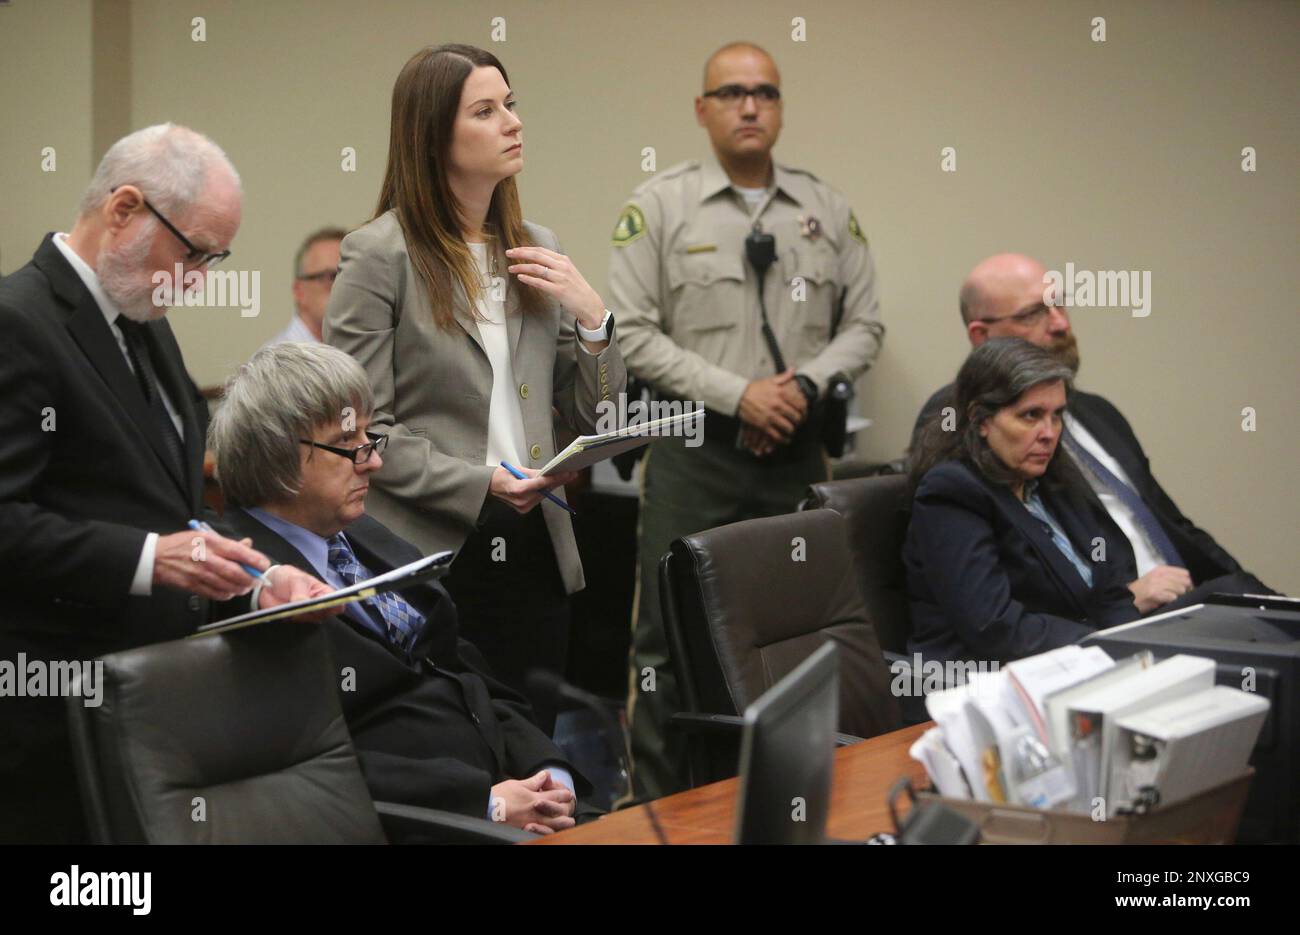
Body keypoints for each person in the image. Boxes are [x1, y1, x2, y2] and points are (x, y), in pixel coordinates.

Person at [0, 124, 329, 843]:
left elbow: (171, 509)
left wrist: (256, 579)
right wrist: (152, 559)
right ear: (122, 209)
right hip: (50, 714)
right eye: (193, 252)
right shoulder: (16, 320)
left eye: (216, 259)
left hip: (151, 707)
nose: (199, 278)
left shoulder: (144, 323)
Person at [608, 42, 885, 799]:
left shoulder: (825, 211)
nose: (750, 105)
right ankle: (659, 807)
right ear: (702, 110)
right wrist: (740, 396)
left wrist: (798, 387)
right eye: (731, 93)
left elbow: (864, 326)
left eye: (764, 91)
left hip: (795, 455)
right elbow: (631, 332)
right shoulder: (659, 207)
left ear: (781, 105)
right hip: (696, 452)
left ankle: (787, 800)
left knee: (798, 630)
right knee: (669, 636)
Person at [325, 45, 626, 733]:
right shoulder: (380, 255)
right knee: (464, 757)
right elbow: (363, 433)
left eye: (511, 105)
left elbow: (597, 418)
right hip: (434, 551)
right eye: (486, 111)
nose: (512, 123)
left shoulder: (535, 246)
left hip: (536, 549)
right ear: (434, 135)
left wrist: (594, 319)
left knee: (537, 757)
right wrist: (483, 480)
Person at [210, 343, 589, 836]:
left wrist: (548, 770)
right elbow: (301, 761)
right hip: (412, 825)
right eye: (350, 442)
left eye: (371, 437)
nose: (373, 462)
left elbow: (463, 670)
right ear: (278, 457)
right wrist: (482, 805)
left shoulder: (366, 536)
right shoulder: (247, 582)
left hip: (504, 800)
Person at [912, 253, 1272, 612]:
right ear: (982, 335)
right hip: (1111, 613)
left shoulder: (1098, 412)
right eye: (1034, 313)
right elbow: (1011, 565)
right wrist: (1121, 601)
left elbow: (1173, 523)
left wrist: (1258, 599)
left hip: (1185, 595)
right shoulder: (952, 414)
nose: (1059, 324)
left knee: (1256, 602)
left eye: (1059, 305)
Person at [906, 338, 1141, 663]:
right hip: (982, 684)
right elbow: (994, 626)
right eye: (1031, 415)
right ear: (981, 420)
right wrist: (1099, 648)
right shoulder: (952, 491)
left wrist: (1135, 650)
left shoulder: (1052, 476)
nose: (1049, 432)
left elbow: (1110, 590)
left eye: (1056, 415)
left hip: (1075, 664)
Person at [261, 226, 345, 347]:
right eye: (331, 277)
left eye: (350, 278)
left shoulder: (363, 351)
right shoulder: (278, 362)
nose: (344, 288)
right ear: (299, 291)